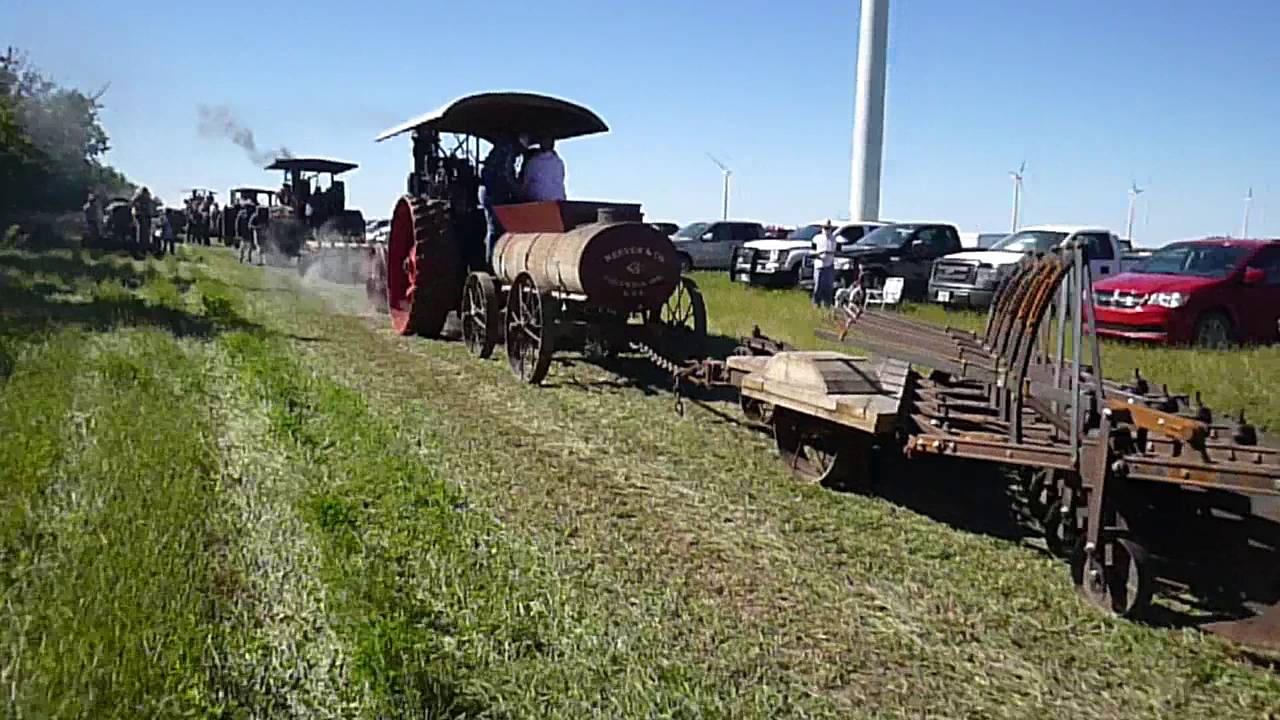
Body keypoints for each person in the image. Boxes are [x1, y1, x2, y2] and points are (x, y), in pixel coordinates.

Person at [478, 133, 520, 263]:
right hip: (492, 192)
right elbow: (506, 174)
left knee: (497, 227)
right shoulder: (507, 150)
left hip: (490, 190)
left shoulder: (502, 149)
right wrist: (518, 189)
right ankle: (491, 263)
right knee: (494, 228)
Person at [518, 136, 567, 202]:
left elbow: (524, 185)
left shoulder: (534, 162)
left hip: (537, 203)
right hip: (558, 202)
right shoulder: (559, 162)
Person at [811, 219, 837, 307]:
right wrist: (818, 255)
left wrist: (828, 253)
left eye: (828, 228)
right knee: (818, 286)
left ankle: (827, 305)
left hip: (829, 265)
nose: (827, 230)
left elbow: (834, 251)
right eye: (825, 228)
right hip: (819, 265)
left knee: (828, 287)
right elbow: (812, 251)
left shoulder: (833, 239)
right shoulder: (817, 238)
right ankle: (816, 304)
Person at [130, 186, 154, 254]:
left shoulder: (140, 197)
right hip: (144, 217)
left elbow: (132, 203)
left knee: (142, 233)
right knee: (144, 233)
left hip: (142, 217)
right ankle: (143, 248)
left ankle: (142, 248)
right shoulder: (147, 198)